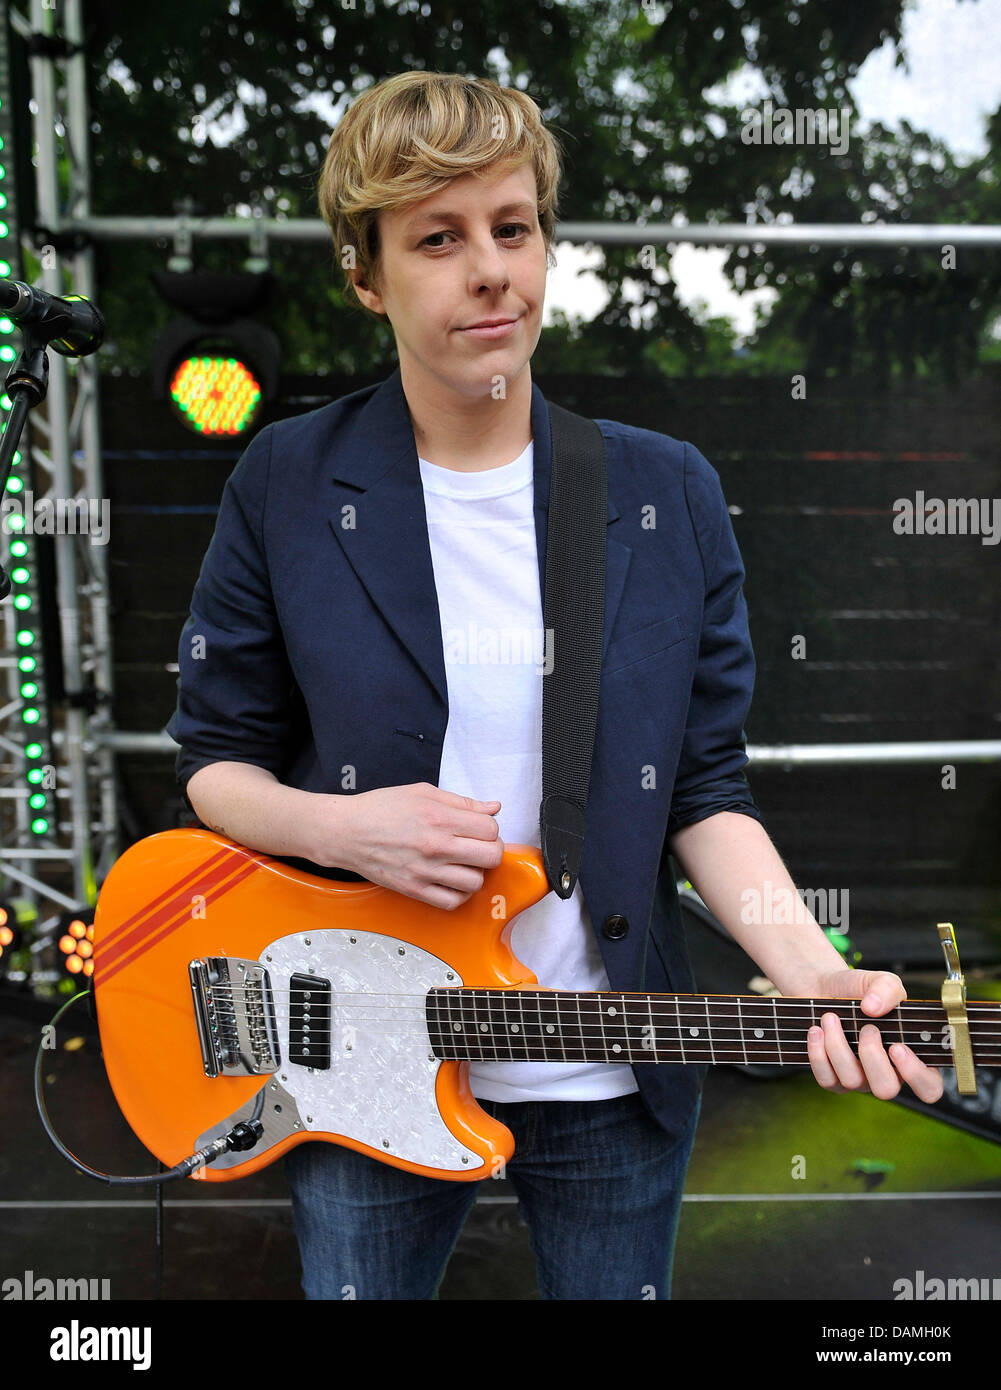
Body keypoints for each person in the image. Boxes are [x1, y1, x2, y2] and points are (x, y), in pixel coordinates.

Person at [165, 70, 944, 1301]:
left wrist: (811, 969)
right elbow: (213, 761)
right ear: (364, 276)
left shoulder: (662, 488)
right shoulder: (286, 480)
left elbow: (703, 787)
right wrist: (341, 828)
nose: (490, 269)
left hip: (607, 1063)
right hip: (364, 1049)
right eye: (437, 238)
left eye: (512, 227)